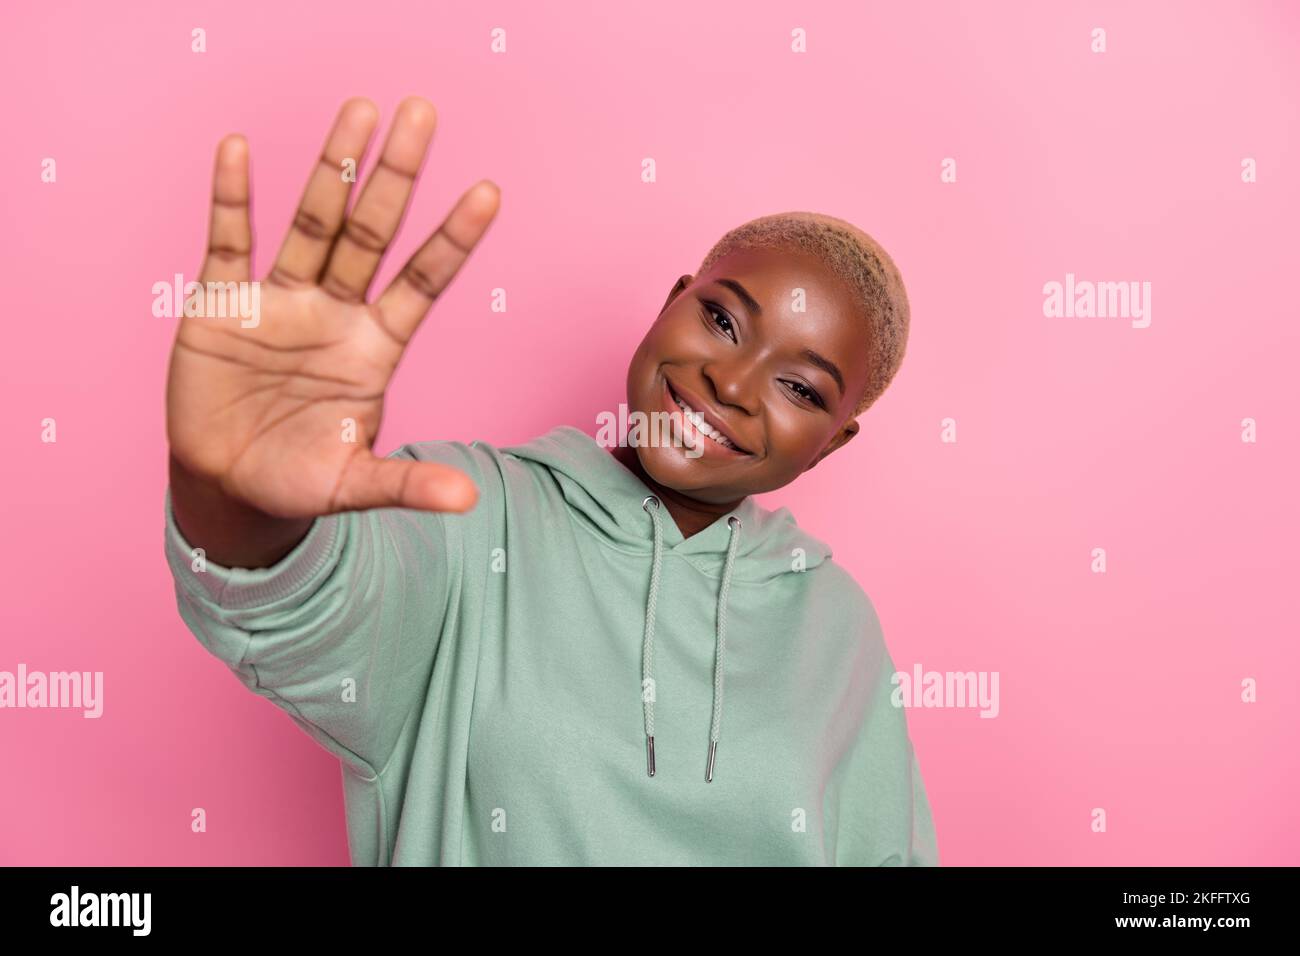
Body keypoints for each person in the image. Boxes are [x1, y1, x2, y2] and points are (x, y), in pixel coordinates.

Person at [163, 95, 939, 866]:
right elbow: (299, 610)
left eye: (800, 388)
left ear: (831, 445)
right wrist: (234, 495)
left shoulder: (835, 624)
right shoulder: (464, 512)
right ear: (673, 303)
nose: (731, 382)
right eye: (723, 321)